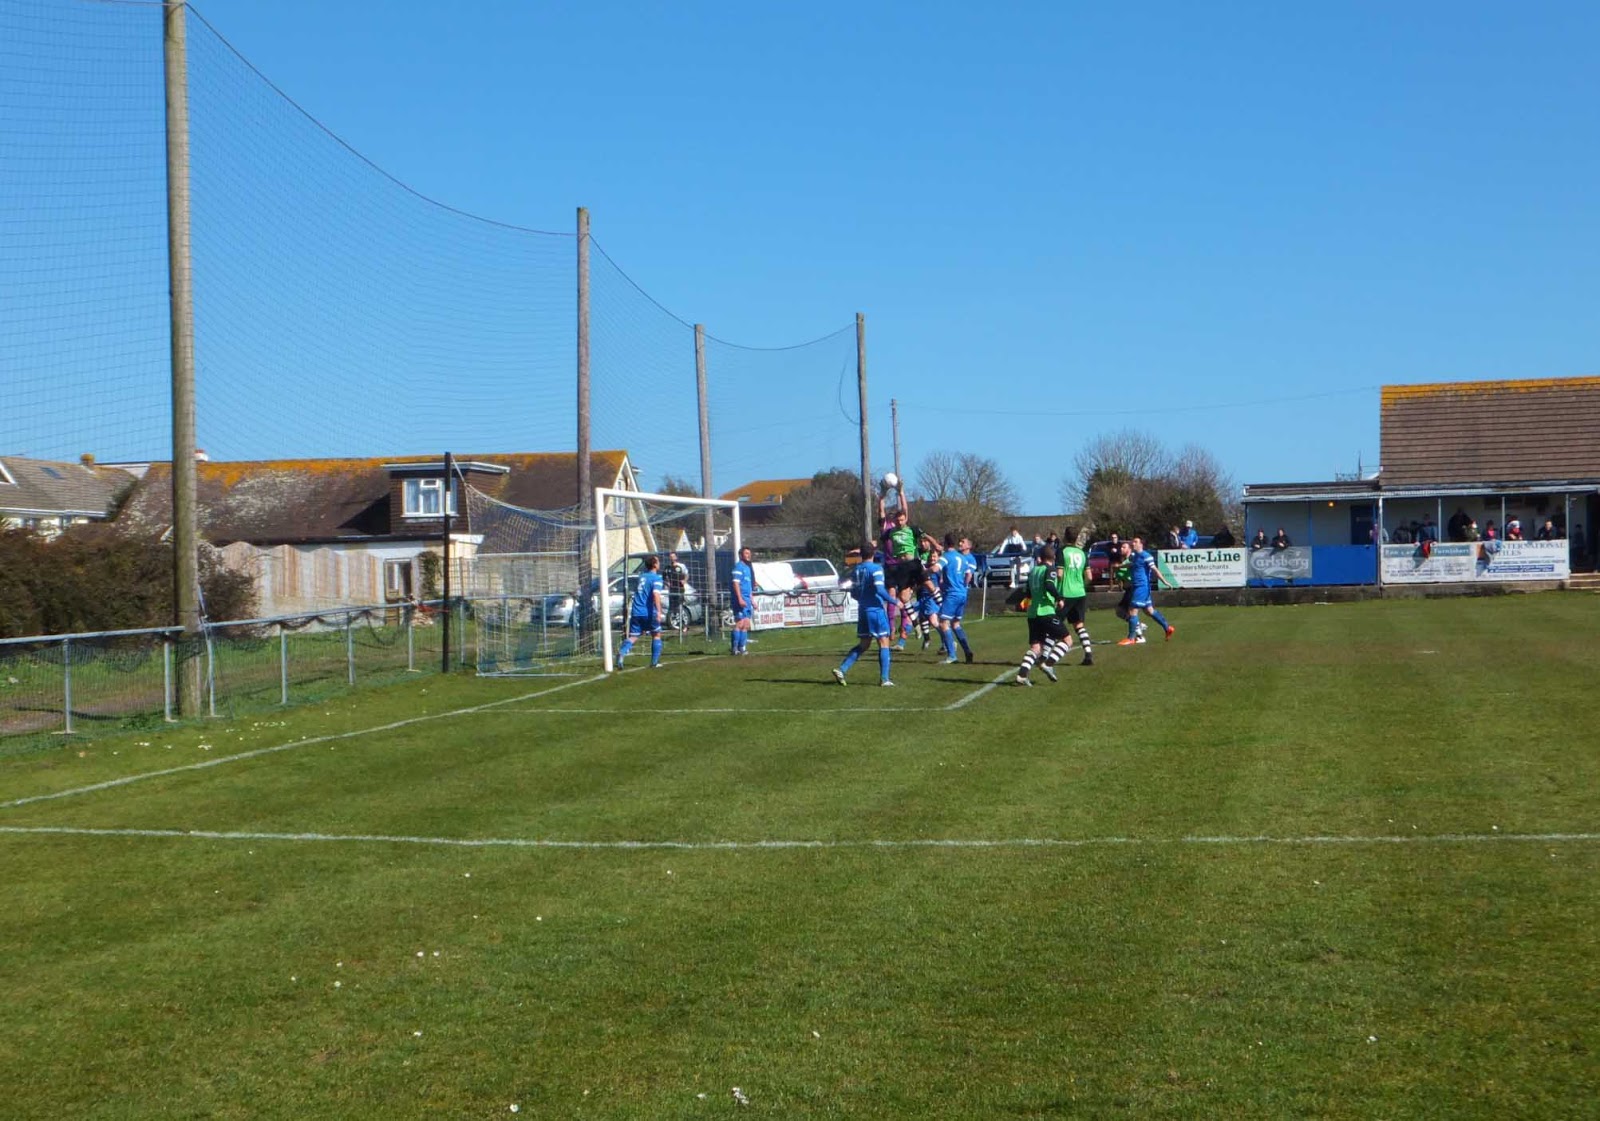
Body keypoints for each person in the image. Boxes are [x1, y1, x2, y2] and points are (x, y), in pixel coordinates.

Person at [833, 538, 897, 687]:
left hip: (862, 610)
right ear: (874, 553)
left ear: (861, 554)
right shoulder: (876, 569)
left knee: (864, 644)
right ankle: (884, 679)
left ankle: (842, 669)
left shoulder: (856, 570)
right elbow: (880, 590)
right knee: (884, 641)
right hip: (875, 610)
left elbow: (853, 592)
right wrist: (894, 601)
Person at [1014, 545, 1070, 686]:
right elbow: (1049, 585)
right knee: (1067, 640)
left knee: (1036, 648)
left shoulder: (1033, 571)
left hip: (1033, 614)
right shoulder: (1049, 569)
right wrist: (1059, 598)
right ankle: (1049, 664)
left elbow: (1027, 593)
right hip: (1046, 611)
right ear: (1054, 557)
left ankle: (1022, 675)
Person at [880, 507, 925, 648]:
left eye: (901, 519)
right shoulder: (890, 532)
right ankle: (915, 624)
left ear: (905, 519)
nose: (899, 522)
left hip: (914, 565)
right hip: (900, 567)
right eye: (896, 519)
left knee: (929, 590)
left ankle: (937, 619)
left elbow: (905, 508)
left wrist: (900, 491)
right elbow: (880, 525)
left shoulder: (910, 530)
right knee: (903, 598)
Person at [1117, 536, 1174, 645]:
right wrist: (1120, 566)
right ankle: (1168, 628)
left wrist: (1165, 581)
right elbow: (1132, 564)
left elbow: (1155, 570)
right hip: (1138, 587)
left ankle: (1131, 638)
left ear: (1141, 544)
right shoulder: (1134, 556)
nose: (1133, 544)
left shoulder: (1146, 556)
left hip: (1141, 587)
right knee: (1149, 611)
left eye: (1135, 542)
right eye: (1132, 542)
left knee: (1132, 610)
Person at [616, 554, 665, 669]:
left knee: (634, 636)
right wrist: (659, 611)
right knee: (656, 634)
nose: (659, 563)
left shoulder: (641, 577)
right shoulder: (656, 578)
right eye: (658, 562)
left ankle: (622, 652)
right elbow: (655, 594)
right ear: (654, 565)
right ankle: (654, 663)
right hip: (648, 612)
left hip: (636, 610)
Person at [1056, 526, 1095, 666]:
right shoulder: (1083, 553)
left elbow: (1059, 574)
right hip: (1080, 593)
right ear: (1077, 537)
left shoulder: (1062, 551)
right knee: (1079, 625)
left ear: (1065, 537)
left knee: (1055, 623)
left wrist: (1057, 588)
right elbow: (1089, 576)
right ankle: (1088, 654)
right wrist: (1081, 585)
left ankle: (1044, 655)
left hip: (1066, 592)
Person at [937, 533, 976, 664]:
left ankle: (952, 655)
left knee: (943, 623)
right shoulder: (963, 558)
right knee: (955, 624)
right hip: (962, 593)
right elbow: (968, 574)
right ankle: (967, 651)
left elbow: (936, 568)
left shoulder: (946, 557)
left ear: (945, 543)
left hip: (952, 594)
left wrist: (925, 572)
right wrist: (962, 585)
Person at [730, 545, 754, 655]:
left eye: (749, 553)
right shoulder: (738, 567)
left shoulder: (748, 568)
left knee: (746, 624)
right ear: (741, 555)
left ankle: (742, 647)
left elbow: (748, 586)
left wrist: (752, 599)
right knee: (739, 623)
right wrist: (739, 599)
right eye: (746, 553)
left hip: (747, 600)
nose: (748, 556)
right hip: (740, 599)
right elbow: (736, 583)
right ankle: (734, 648)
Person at [664, 551, 689, 631]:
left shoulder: (681, 566)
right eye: (670, 557)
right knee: (672, 608)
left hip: (680, 590)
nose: (672, 558)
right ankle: (674, 625)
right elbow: (664, 578)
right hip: (672, 590)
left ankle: (685, 625)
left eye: (673, 557)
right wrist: (667, 583)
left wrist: (684, 581)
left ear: (676, 557)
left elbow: (687, 575)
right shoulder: (667, 568)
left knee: (680, 607)